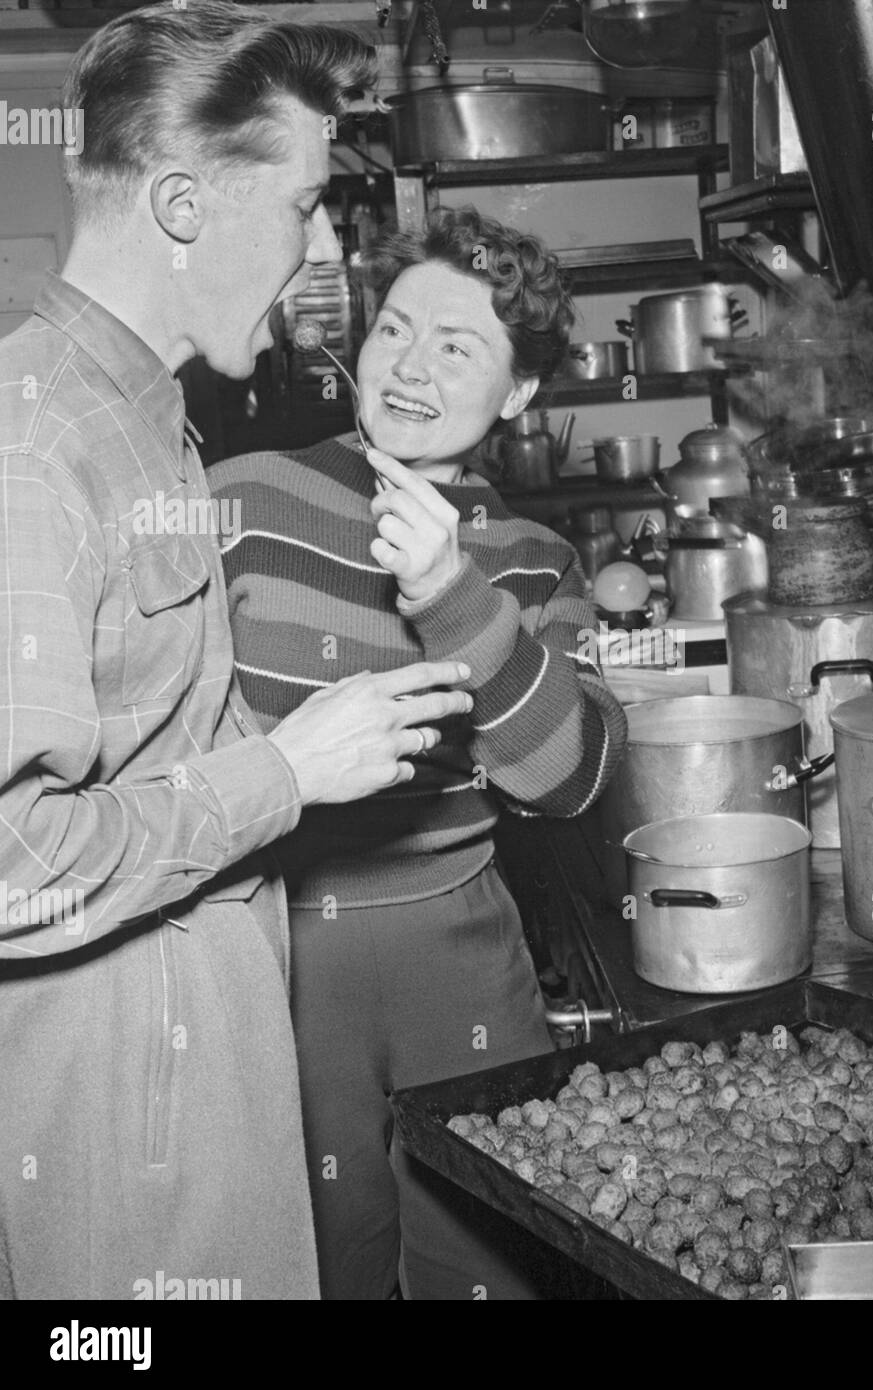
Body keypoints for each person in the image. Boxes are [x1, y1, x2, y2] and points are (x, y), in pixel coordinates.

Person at [0, 3, 473, 1301]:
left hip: (211, 1098)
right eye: (305, 206)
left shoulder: (148, 414)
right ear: (183, 207)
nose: (325, 248)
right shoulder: (34, 448)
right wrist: (284, 771)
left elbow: (143, 741)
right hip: (122, 1166)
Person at [209, 206, 629, 1299]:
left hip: (466, 964)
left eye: (460, 347)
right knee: (314, 1272)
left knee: (489, 1268)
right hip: (277, 961)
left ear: (522, 391)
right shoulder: (242, 501)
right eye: (395, 329)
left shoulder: (536, 561)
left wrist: (450, 591)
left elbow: (568, 778)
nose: (410, 367)